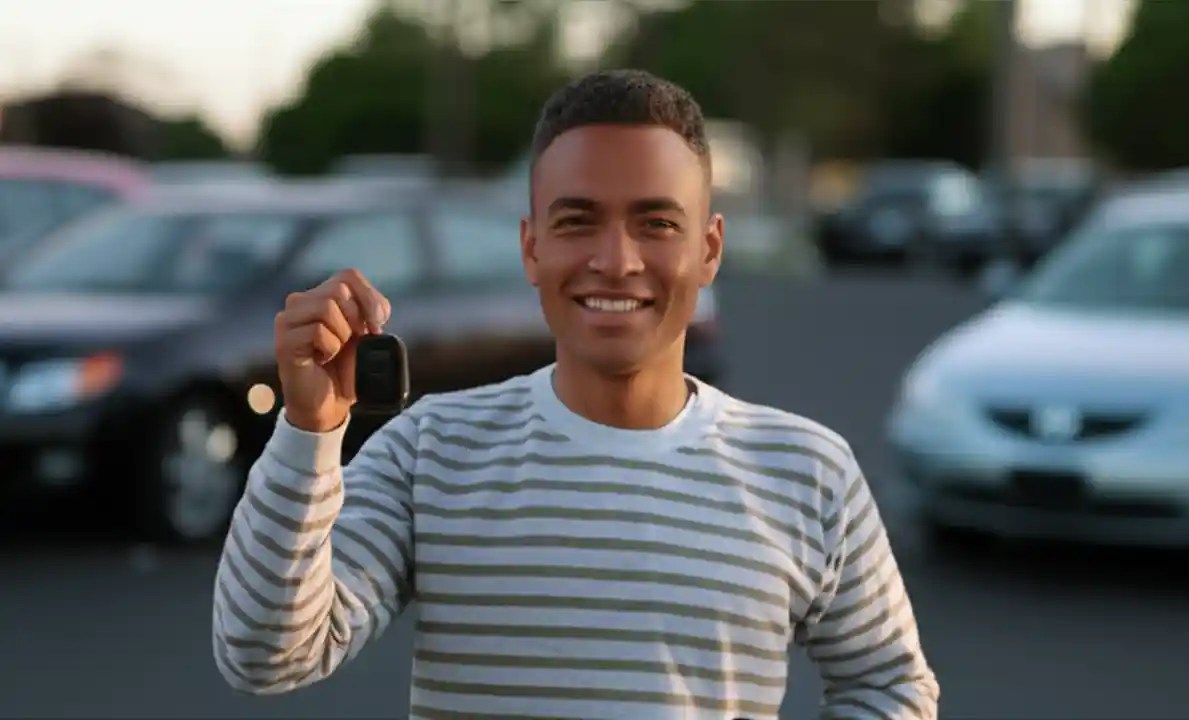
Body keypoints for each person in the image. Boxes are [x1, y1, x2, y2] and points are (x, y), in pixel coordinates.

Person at [212, 68, 939, 719]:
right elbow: (262, 657)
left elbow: (890, 687)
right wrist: (308, 430)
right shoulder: (430, 451)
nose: (616, 260)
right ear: (532, 247)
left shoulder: (807, 470)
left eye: (656, 223)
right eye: (578, 221)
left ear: (709, 249)